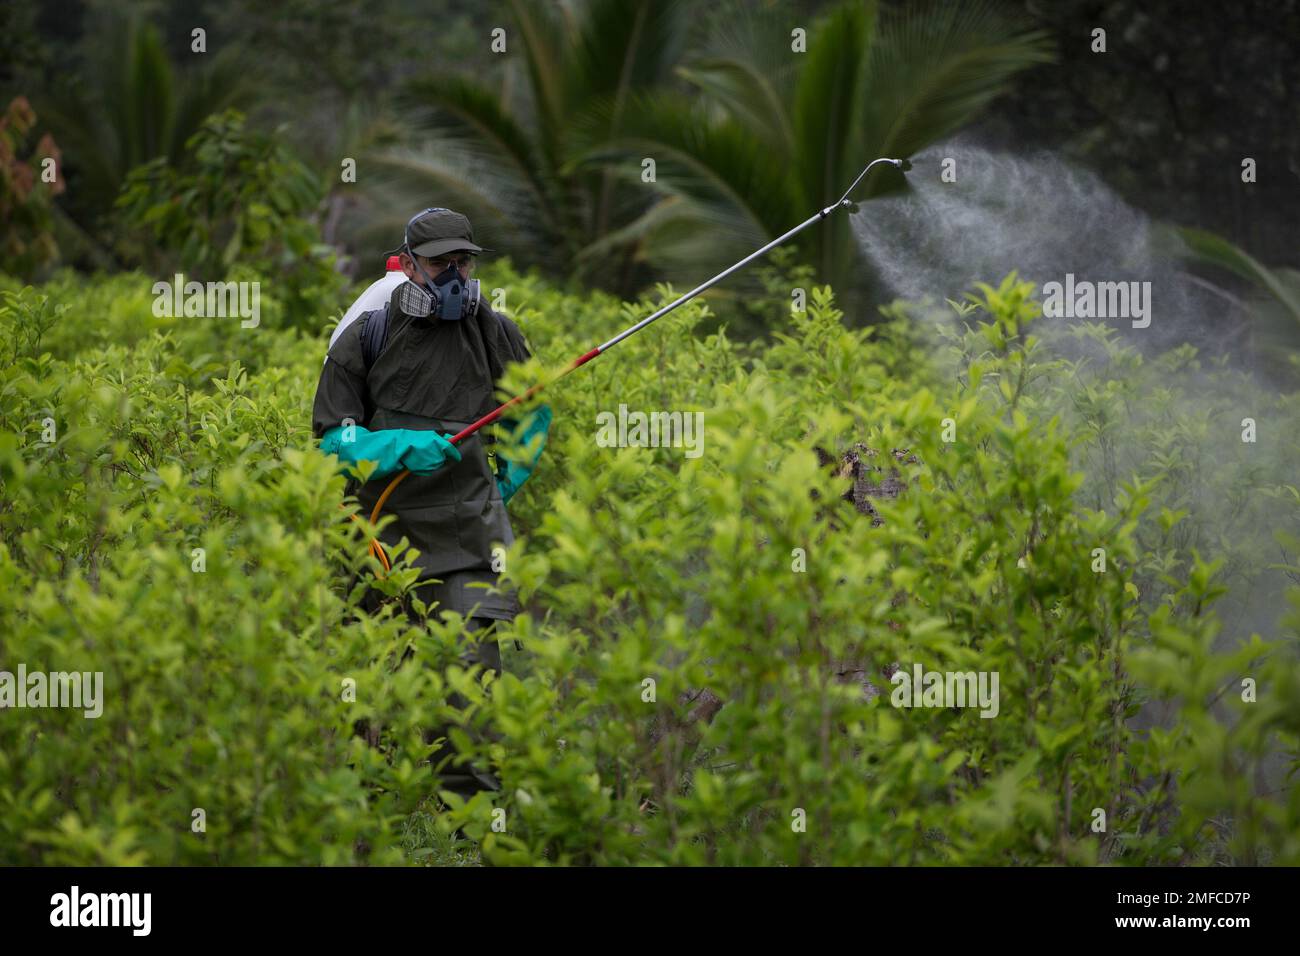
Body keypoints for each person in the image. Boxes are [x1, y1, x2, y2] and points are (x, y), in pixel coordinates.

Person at [312, 207, 550, 799]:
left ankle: (471, 835)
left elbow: (531, 411)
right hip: (378, 538)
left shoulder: (495, 329)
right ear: (410, 263)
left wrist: (506, 477)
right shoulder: (367, 329)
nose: (453, 274)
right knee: (364, 694)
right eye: (440, 262)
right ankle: (373, 824)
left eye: (462, 261)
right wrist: (398, 445)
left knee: (468, 701)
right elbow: (331, 440)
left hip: (469, 538)